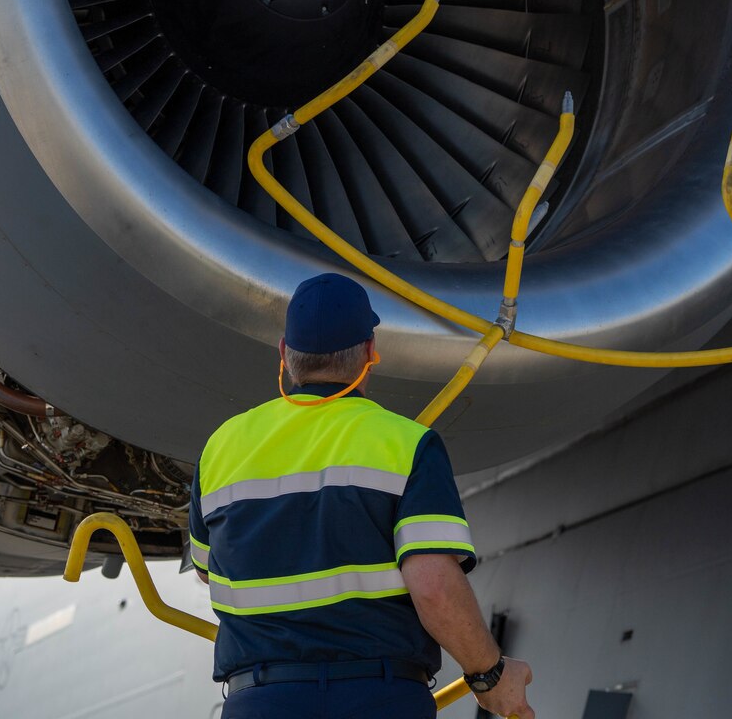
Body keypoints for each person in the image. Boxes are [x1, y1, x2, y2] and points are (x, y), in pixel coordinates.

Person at [188, 272, 535, 719]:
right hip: (378, 698)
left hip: (259, 700)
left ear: (284, 355)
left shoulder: (221, 447)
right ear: (370, 352)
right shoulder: (406, 444)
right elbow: (432, 584)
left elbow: (206, 570)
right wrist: (490, 677)